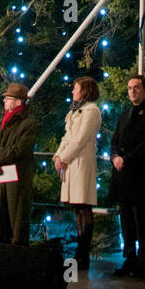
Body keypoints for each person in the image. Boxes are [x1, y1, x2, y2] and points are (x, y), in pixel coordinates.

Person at [108, 74, 145, 279]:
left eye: (137, 87)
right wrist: (114, 156)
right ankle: (129, 257)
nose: (133, 91)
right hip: (123, 175)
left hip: (140, 175)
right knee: (126, 220)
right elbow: (115, 140)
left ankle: (143, 261)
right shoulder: (125, 114)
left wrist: (126, 159)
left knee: (142, 220)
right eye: (130, 87)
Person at [53, 76, 100, 271]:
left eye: (76, 89)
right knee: (77, 208)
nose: (73, 92)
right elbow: (67, 136)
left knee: (84, 206)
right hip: (71, 162)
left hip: (81, 162)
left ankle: (83, 252)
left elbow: (81, 139)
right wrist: (58, 155)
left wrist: (64, 157)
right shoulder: (74, 111)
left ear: (85, 91)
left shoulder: (92, 111)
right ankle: (79, 252)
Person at [0, 81, 36, 245]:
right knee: (2, 212)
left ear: (18, 102)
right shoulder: (3, 122)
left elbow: (21, 149)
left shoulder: (28, 123)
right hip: (2, 173)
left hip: (17, 175)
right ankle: (2, 243)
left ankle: (16, 247)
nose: (4, 101)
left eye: (8, 98)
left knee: (16, 213)